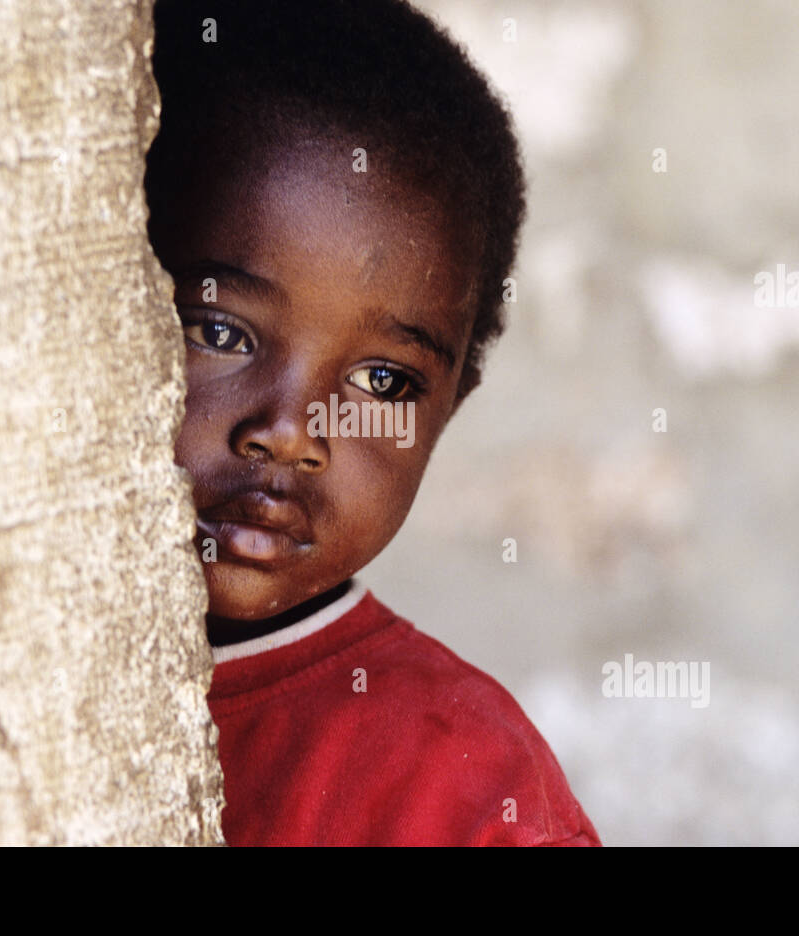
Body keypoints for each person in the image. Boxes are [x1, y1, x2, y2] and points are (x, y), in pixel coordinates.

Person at [146, 0, 601, 846]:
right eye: (219, 332)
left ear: (450, 408)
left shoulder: (459, 784)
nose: (289, 432)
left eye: (383, 380)